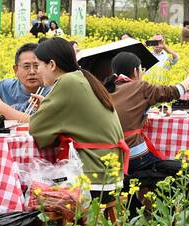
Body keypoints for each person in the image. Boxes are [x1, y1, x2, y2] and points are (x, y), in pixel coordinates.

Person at [103, 50, 189, 210]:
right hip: (134, 156)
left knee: (155, 170)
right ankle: (168, 219)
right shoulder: (139, 87)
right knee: (180, 171)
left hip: (111, 157)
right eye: (141, 69)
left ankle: (145, 215)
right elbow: (173, 93)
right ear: (135, 71)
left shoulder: (107, 89)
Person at [29, 38, 125, 190]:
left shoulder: (67, 82)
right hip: (109, 172)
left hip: (93, 177)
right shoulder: (82, 76)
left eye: (38, 65)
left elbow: (36, 131)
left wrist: (3, 108)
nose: (35, 71)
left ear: (52, 65)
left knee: (32, 188)